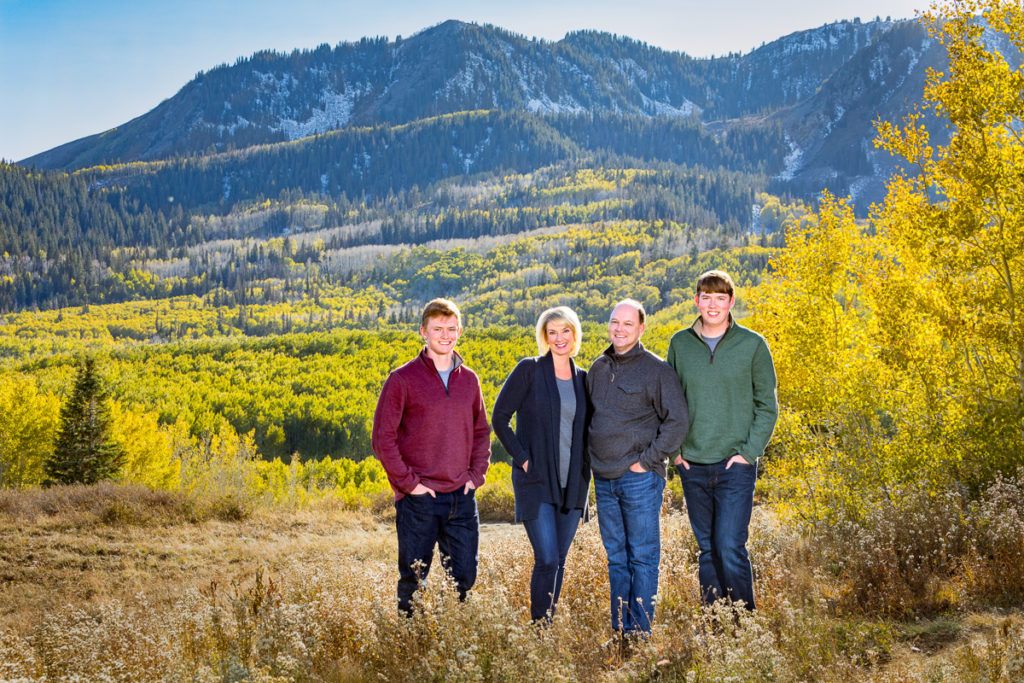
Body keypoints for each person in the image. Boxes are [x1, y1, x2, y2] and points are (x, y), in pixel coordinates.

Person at [371, 298, 491, 615]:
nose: (445, 335)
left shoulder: (470, 380)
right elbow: (383, 439)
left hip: (461, 498)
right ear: (423, 332)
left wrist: (475, 476)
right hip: (419, 499)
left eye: (451, 328)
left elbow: (481, 432)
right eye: (438, 328)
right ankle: (413, 646)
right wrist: (410, 485)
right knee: (414, 580)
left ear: (460, 331)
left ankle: (456, 641)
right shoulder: (402, 380)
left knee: (464, 579)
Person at [666, 270, 778, 610]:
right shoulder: (680, 344)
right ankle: (714, 624)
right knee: (708, 550)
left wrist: (748, 454)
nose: (712, 305)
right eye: (706, 297)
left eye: (720, 298)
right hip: (693, 465)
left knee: (729, 545)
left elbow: (767, 406)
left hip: (735, 465)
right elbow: (668, 402)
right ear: (696, 300)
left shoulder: (753, 345)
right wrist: (676, 452)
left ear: (731, 302)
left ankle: (745, 625)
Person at [587, 299, 688, 637]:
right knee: (616, 558)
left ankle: (640, 633)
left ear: (641, 328)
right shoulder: (598, 368)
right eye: (615, 322)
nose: (619, 329)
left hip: (639, 481)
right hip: (603, 478)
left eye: (628, 324)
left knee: (642, 557)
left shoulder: (657, 370)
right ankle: (620, 631)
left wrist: (645, 462)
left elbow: (678, 421)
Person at [492, 306, 592, 623]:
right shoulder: (530, 370)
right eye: (552, 332)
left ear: (574, 334)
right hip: (536, 483)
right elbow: (499, 419)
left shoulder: (584, 380)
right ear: (544, 337)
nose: (559, 338)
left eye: (565, 331)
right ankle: (539, 629)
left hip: (573, 486)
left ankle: (546, 627)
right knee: (547, 558)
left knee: (560, 560)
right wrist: (522, 459)